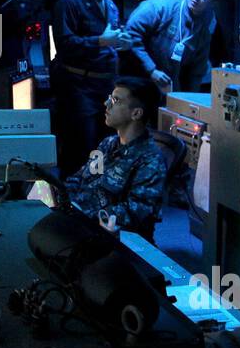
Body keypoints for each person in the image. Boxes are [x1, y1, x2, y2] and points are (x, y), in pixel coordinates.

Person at [51, 0, 131, 175]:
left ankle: (96, 195)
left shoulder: (111, 7)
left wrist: (120, 43)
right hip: (78, 87)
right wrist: (101, 41)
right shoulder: (69, 3)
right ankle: (71, 199)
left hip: (105, 88)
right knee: (80, 148)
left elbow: (111, 39)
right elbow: (65, 45)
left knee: (104, 145)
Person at [63, 77, 168, 239]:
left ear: (136, 113)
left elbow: (135, 211)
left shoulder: (150, 159)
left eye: (116, 100)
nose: (107, 104)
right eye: (110, 97)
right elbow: (81, 178)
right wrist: (60, 195)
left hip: (116, 237)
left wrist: (83, 212)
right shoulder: (108, 143)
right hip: (83, 222)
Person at [124, 0, 219, 96]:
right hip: (138, 82)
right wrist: (151, 70)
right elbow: (130, 34)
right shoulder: (159, 8)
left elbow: (196, 73)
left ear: (212, 3)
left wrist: (191, 101)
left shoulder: (202, 34)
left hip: (167, 89)